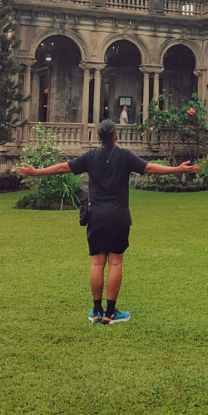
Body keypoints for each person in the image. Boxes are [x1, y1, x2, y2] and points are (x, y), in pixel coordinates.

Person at [15, 119, 197, 325]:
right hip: (118, 216)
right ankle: (110, 313)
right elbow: (151, 168)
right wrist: (177, 169)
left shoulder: (91, 156)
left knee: (97, 263)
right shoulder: (125, 156)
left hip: (96, 216)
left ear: (98, 137)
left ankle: (96, 311)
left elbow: (62, 168)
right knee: (116, 262)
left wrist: (36, 172)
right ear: (116, 136)